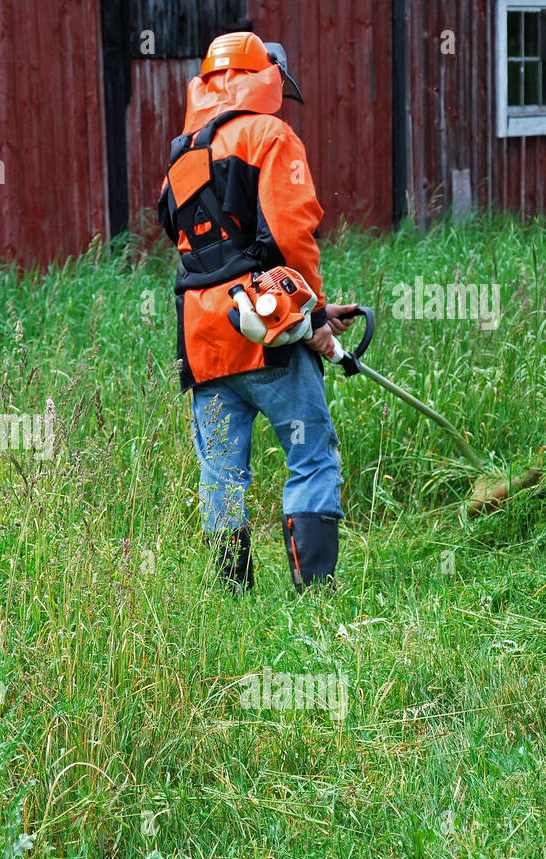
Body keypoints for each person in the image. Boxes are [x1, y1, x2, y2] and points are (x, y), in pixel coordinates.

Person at [157, 30, 359, 593]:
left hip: (203, 339)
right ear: (265, 76)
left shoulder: (184, 151)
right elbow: (291, 236)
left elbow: (190, 239)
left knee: (221, 472)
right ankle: (316, 594)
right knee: (311, 457)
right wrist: (312, 319)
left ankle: (231, 595)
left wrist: (318, 311)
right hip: (266, 331)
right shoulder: (271, 135)